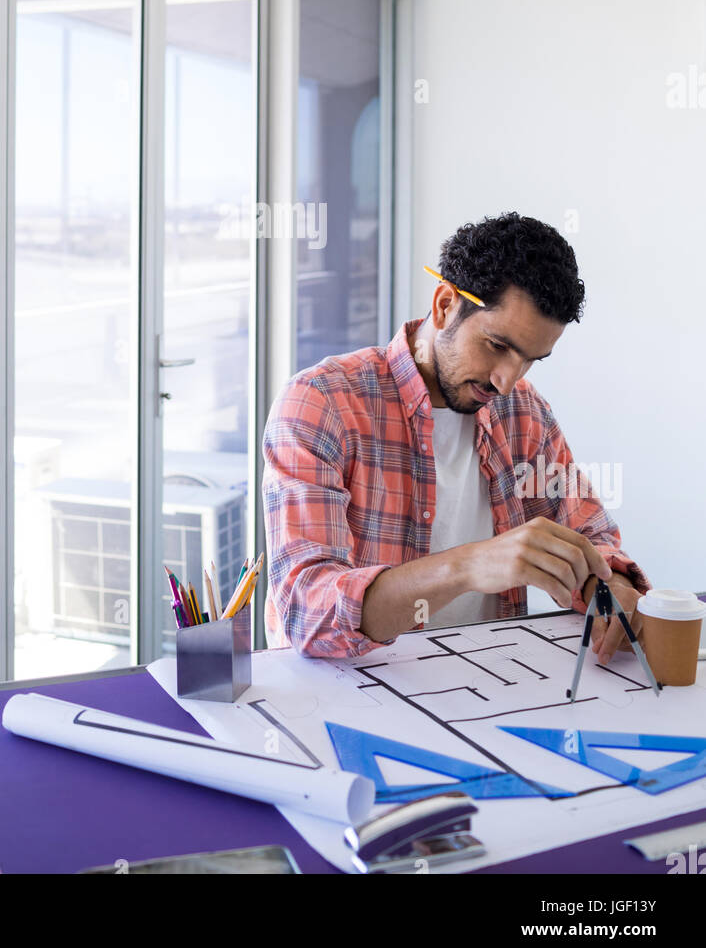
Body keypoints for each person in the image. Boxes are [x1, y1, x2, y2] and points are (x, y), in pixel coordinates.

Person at [262, 211, 650, 663]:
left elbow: (589, 532)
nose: (506, 380)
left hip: (485, 688)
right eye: (497, 346)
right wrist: (469, 566)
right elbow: (307, 611)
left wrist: (611, 585)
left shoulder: (523, 411)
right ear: (445, 304)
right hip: (349, 694)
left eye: (530, 360)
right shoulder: (321, 401)